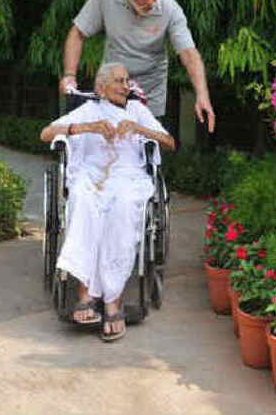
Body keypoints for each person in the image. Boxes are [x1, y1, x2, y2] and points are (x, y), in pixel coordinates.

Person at [39, 62, 175, 342]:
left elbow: (169, 142)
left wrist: (139, 128)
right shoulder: (90, 110)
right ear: (102, 87)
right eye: (119, 81)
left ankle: (113, 298)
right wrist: (88, 127)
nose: (126, 86)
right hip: (91, 174)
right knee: (83, 202)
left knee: (123, 210)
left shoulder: (138, 110)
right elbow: (46, 133)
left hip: (128, 176)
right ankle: (85, 293)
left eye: (127, 80)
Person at [58, 0, 216, 133]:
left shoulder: (170, 8)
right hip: (111, 88)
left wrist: (202, 94)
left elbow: (189, 54)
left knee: (145, 153)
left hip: (149, 95)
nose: (150, 1)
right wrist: (69, 75)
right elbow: (77, 33)